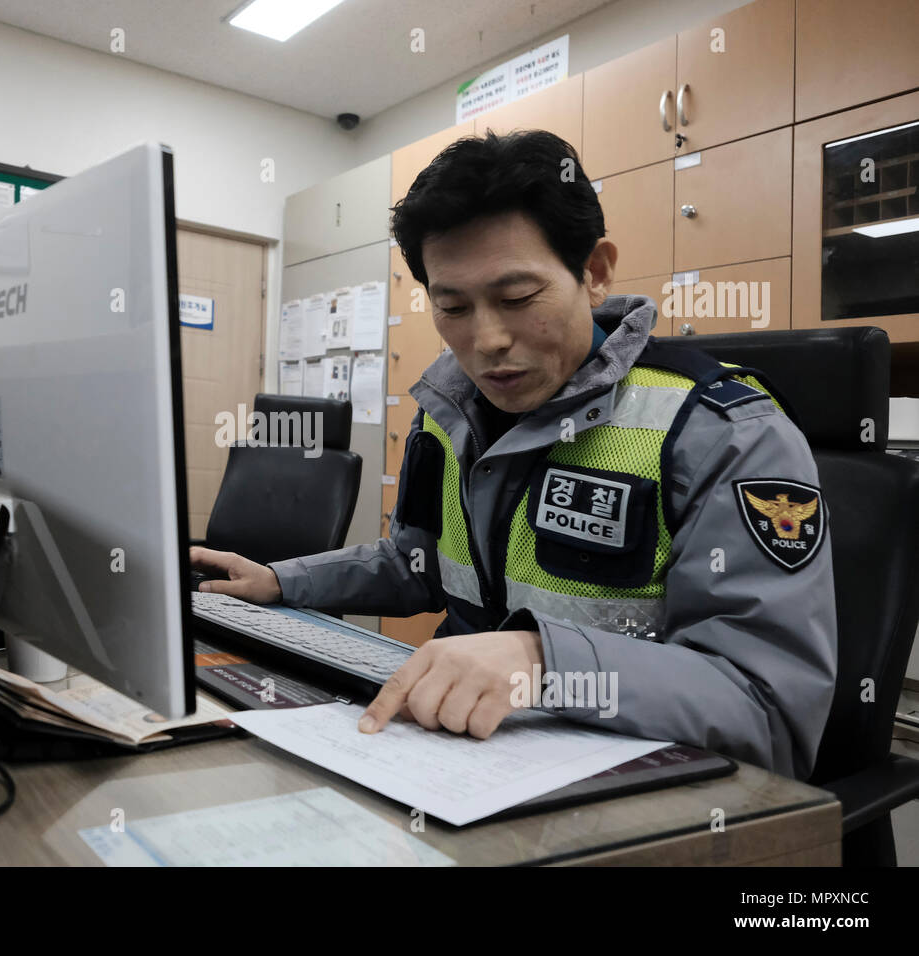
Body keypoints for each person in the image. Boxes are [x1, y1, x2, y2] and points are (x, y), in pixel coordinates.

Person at [190, 130, 836, 780]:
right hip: (467, 755)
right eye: (452, 307)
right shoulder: (450, 413)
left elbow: (767, 707)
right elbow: (418, 565)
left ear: (595, 272)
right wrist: (283, 582)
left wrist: (543, 663)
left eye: (517, 299)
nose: (487, 341)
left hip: (634, 781)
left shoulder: (725, 431)